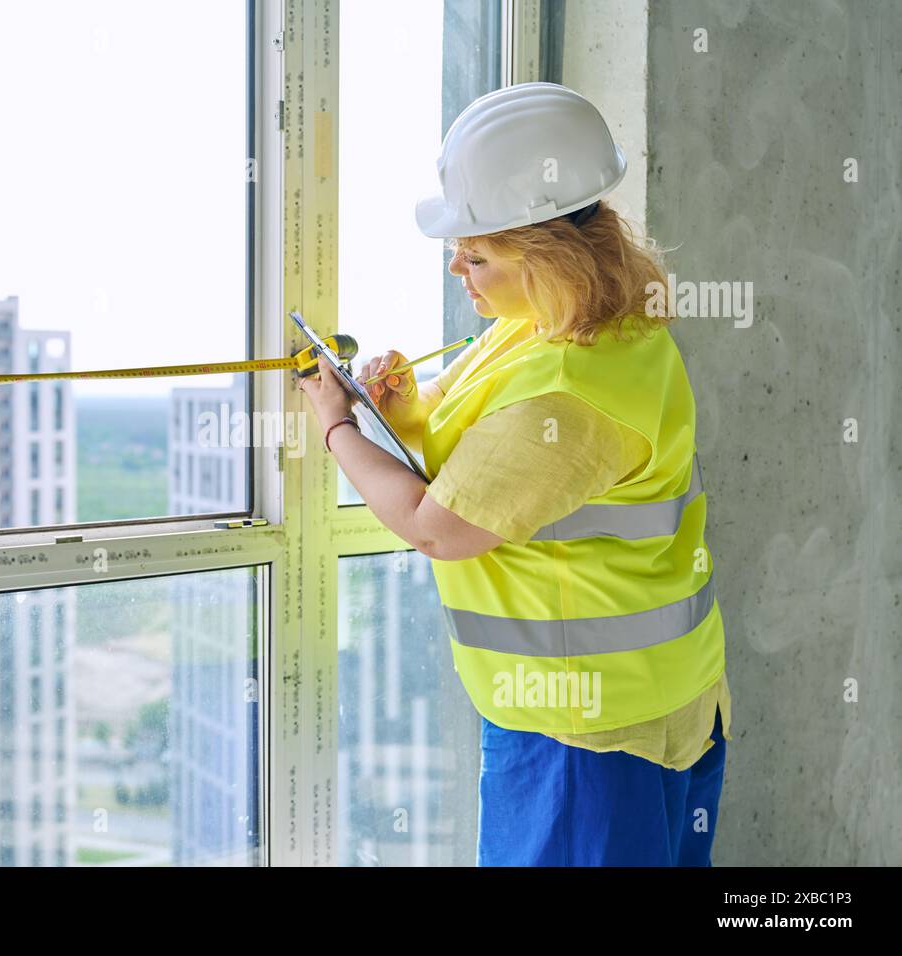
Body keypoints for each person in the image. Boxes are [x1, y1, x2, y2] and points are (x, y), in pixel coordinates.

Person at [298, 82, 731, 866]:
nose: (460, 270)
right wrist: (404, 416)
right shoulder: (587, 322)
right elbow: (500, 451)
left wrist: (335, 425)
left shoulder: (567, 388)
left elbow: (439, 528)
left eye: (477, 254)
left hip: (587, 738)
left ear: (548, 252)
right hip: (655, 701)